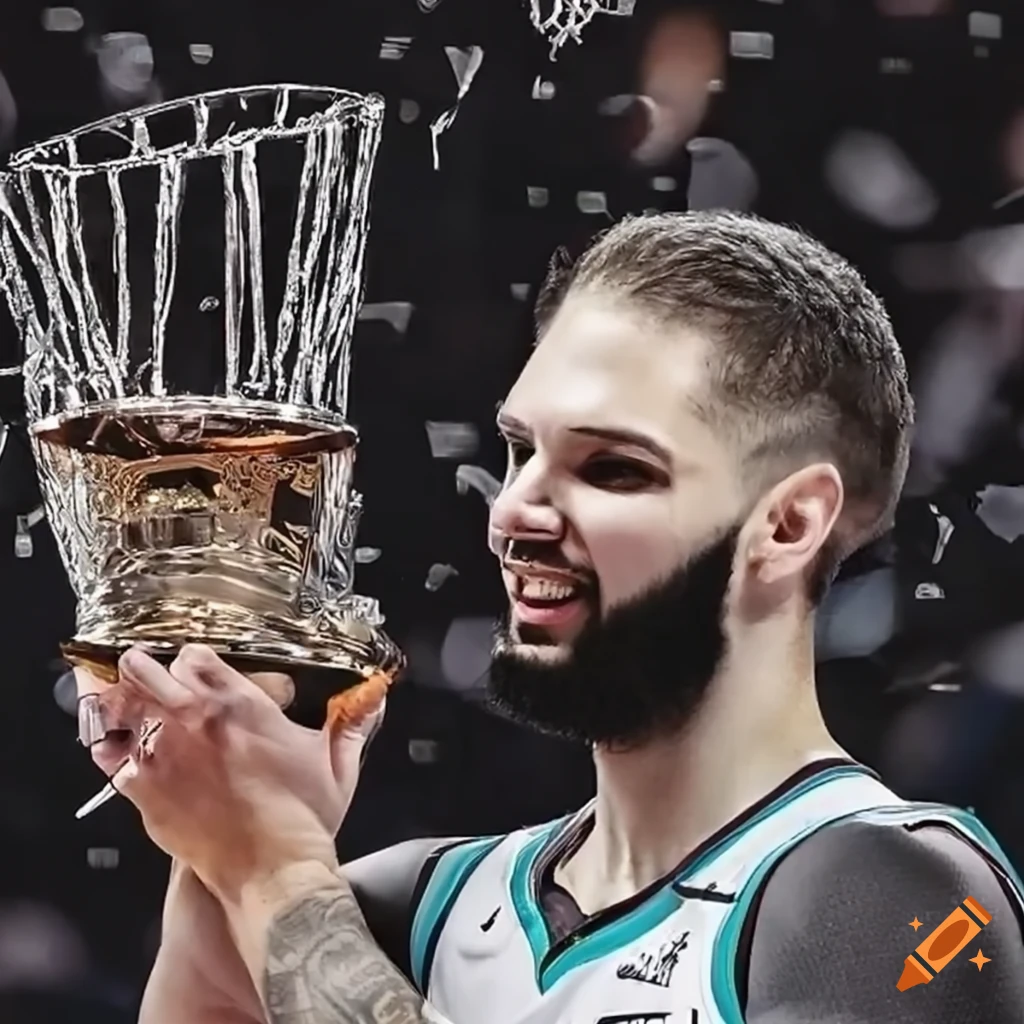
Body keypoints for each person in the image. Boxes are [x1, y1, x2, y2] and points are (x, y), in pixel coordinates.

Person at [75, 211, 1024, 1023]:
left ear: (786, 523)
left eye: (613, 468)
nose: (514, 511)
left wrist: (277, 873)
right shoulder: (415, 906)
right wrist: (215, 823)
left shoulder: (901, 900)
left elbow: (288, 898)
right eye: (522, 449)